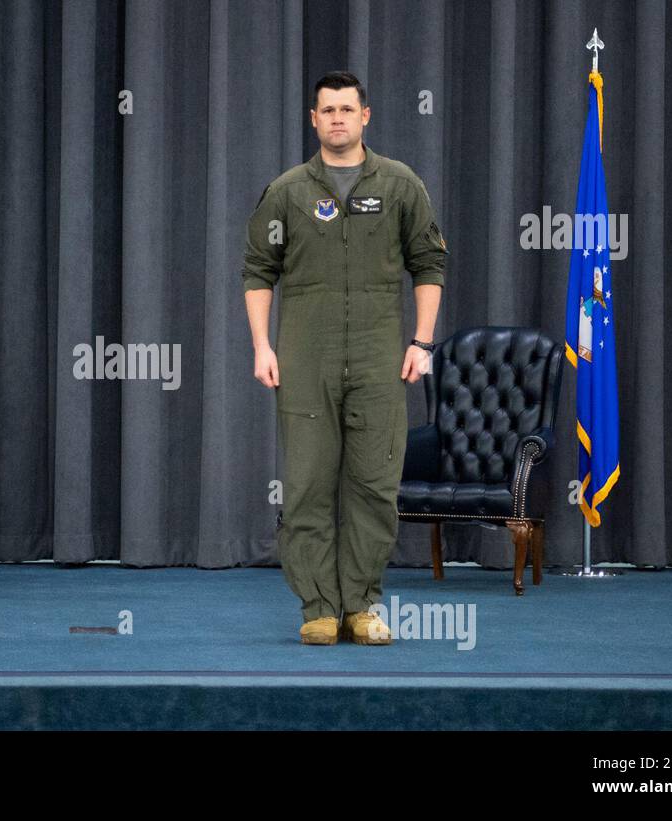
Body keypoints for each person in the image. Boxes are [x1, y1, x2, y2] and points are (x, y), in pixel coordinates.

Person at [242, 72, 448, 645]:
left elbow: (428, 265)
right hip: (306, 356)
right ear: (313, 119)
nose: (337, 118)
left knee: (375, 484)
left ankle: (362, 604)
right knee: (306, 484)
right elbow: (259, 270)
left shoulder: (401, 185)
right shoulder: (287, 191)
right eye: (327, 110)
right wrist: (262, 345)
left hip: (381, 355)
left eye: (346, 109)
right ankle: (318, 607)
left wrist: (422, 342)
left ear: (366, 116)